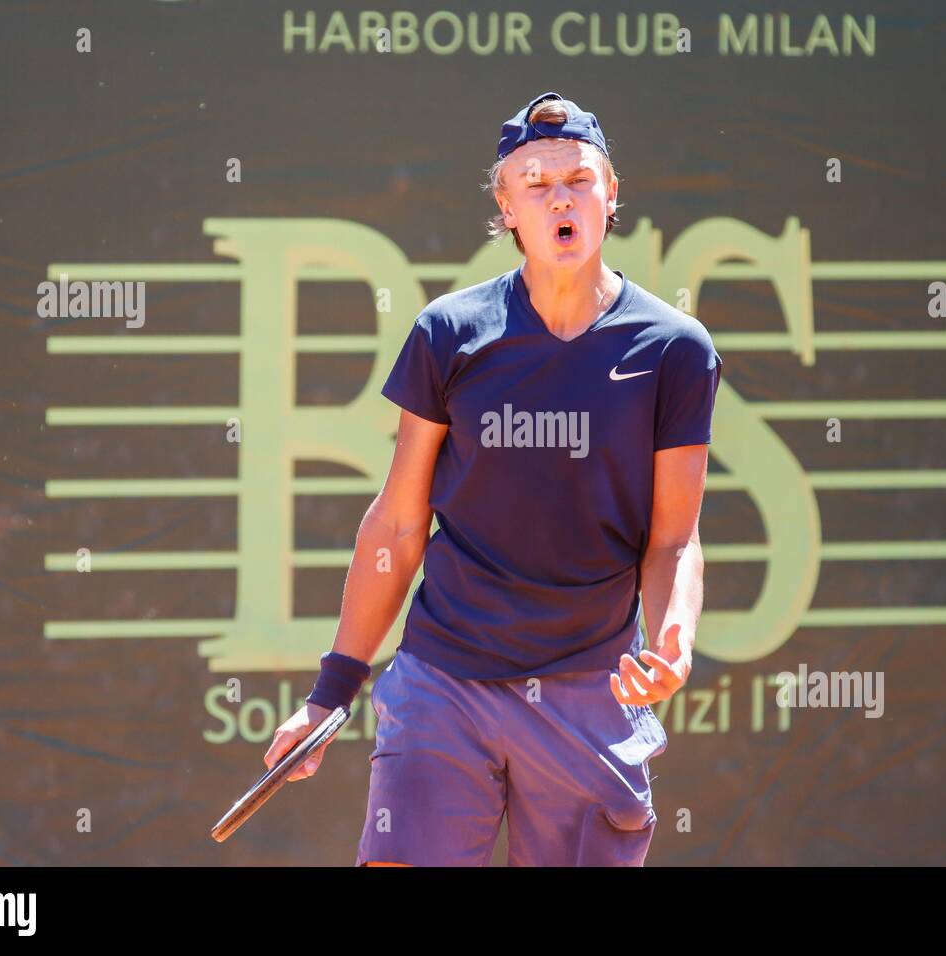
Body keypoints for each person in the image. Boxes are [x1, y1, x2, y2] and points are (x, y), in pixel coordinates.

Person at [263, 91, 722, 866]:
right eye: (536, 185)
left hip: (591, 690)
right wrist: (330, 694)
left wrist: (674, 640)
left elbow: (673, 537)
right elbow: (399, 524)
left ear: (612, 196)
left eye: (578, 178)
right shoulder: (449, 333)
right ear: (506, 208)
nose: (560, 199)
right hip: (444, 679)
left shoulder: (675, 351)